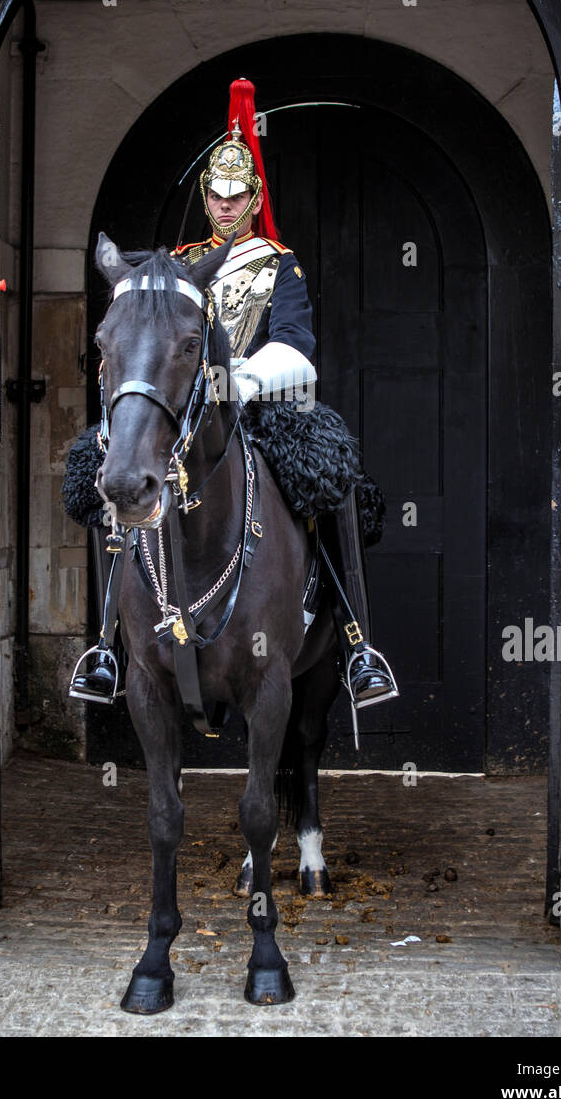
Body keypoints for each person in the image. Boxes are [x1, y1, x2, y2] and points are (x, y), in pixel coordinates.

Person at [70, 78, 397, 711]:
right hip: (182, 408)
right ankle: (109, 645)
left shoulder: (280, 264)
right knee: (95, 467)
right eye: (216, 194)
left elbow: (297, 348)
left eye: (237, 193)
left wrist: (240, 381)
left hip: (260, 403)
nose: (225, 204)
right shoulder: (176, 266)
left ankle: (358, 645)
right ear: (205, 196)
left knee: (334, 474)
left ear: (254, 197)